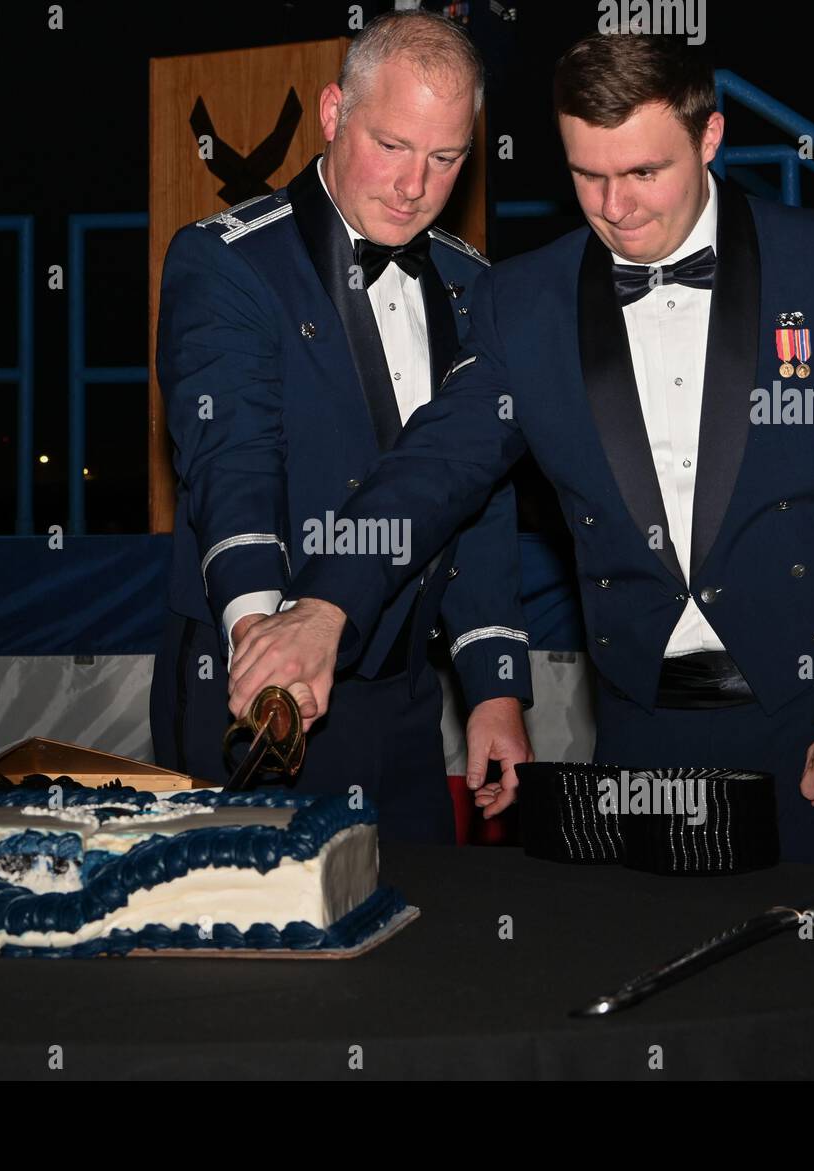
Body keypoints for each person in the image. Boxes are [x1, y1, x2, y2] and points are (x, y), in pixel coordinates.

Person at [227, 31, 814, 868]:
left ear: (709, 138)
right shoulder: (524, 301)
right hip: (642, 737)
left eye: (645, 172)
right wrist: (326, 608)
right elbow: (435, 466)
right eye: (588, 175)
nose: (616, 206)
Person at [151, 10, 534, 844]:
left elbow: (477, 496)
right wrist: (266, 645)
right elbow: (232, 462)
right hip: (258, 679)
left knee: (418, 953)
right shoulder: (228, 260)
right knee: (244, 953)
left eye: (445, 158)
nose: (413, 186)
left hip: (405, 697)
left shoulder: (477, 283)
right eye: (391, 146)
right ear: (332, 114)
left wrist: (494, 685)